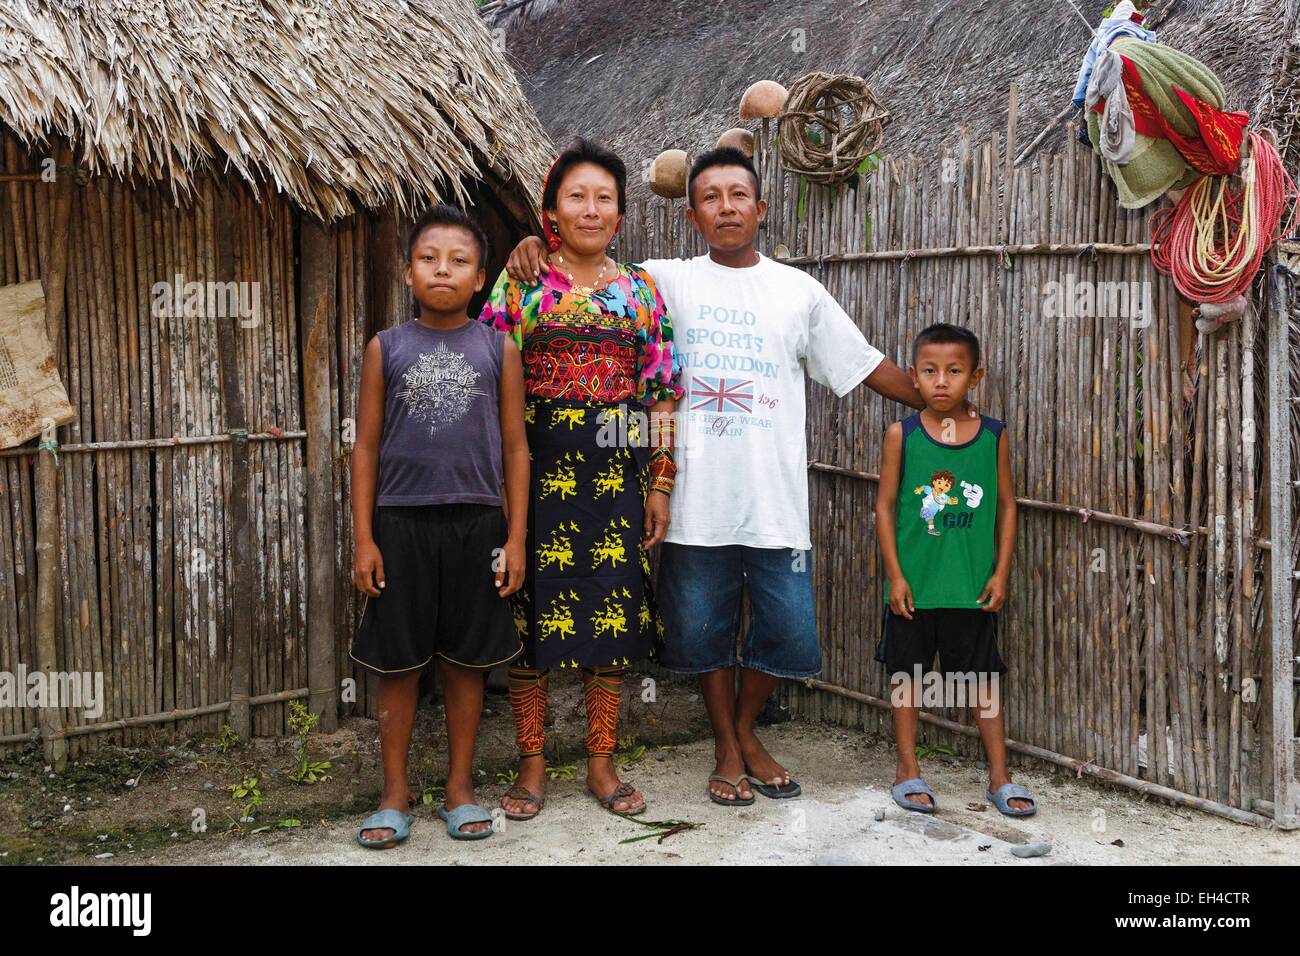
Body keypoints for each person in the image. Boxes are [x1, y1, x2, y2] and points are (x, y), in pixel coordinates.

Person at [507, 147, 928, 806]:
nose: (726, 206)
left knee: (780, 636)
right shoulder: (650, 280)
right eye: (710, 196)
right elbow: (544, 301)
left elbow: (861, 363)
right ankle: (707, 751)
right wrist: (529, 245)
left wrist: (938, 402)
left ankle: (724, 736)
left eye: (739, 195)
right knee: (666, 636)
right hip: (618, 496)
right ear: (691, 214)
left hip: (740, 497)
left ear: (760, 208)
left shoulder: (775, 291)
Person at [480, 139, 682, 820]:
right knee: (531, 621)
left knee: (613, 616)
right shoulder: (521, 284)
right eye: (577, 197)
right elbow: (487, 377)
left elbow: (661, 396)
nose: (591, 210)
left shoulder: (640, 292)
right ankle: (532, 766)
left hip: (615, 473)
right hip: (535, 474)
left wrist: (659, 484)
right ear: (551, 214)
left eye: (604, 199)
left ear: (620, 217)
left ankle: (601, 765)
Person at [350, 204, 528, 845]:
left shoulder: (497, 347)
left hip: (478, 524)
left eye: (459, 261)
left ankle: (459, 789)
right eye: (429, 259)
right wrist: (365, 537)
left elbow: (515, 448)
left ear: (480, 278)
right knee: (397, 666)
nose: (443, 271)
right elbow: (365, 447)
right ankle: (393, 794)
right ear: (408, 272)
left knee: (465, 664)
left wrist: (515, 538)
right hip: (399, 525)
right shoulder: (386, 348)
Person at [874, 323, 1034, 816]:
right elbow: (883, 508)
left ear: (975, 376)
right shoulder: (901, 435)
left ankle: (999, 777)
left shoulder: (993, 436)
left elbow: (1007, 506)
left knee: (983, 679)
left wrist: (1001, 571)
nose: (941, 381)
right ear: (914, 377)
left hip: (970, 589)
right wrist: (896, 576)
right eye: (929, 371)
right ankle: (907, 769)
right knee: (908, 677)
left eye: (954, 371)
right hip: (914, 589)